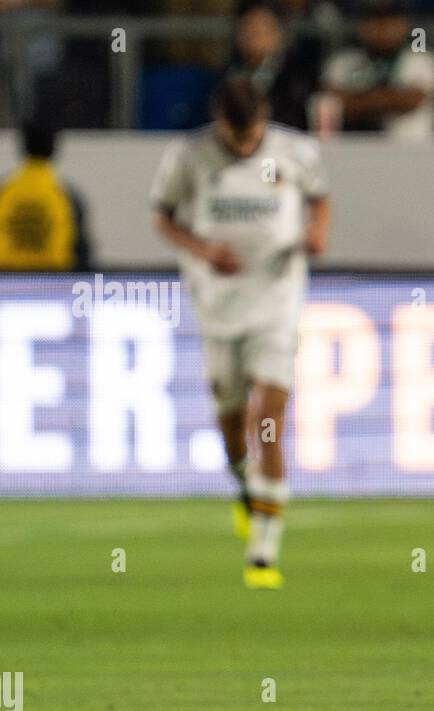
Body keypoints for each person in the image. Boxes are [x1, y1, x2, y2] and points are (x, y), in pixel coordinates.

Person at [151, 77, 330, 589]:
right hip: (218, 306)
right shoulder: (188, 156)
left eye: (251, 136)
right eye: (236, 137)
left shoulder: (296, 150)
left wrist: (318, 232)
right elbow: (162, 216)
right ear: (218, 121)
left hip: (276, 301)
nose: (245, 146)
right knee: (231, 425)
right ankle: (246, 487)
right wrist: (204, 252)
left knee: (268, 416)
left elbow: (320, 199)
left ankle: (264, 549)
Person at [319, 0, 434, 139]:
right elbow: (331, 104)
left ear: (404, 24)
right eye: (374, 20)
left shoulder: (422, 59)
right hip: (353, 150)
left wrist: (358, 101)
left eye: (390, 20)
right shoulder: (342, 61)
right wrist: (387, 99)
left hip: (412, 151)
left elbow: (411, 100)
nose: (382, 28)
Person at [0, 124, 92, 272]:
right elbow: (81, 250)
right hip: (54, 283)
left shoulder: (2, 192)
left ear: (23, 147)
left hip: (7, 281)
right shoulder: (65, 195)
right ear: (54, 148)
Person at [223, 0, 319, 131]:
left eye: (263, 27)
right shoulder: (228, 75)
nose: (254, 34)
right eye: (248, 26)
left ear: (280, 33)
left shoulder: (299, 77)